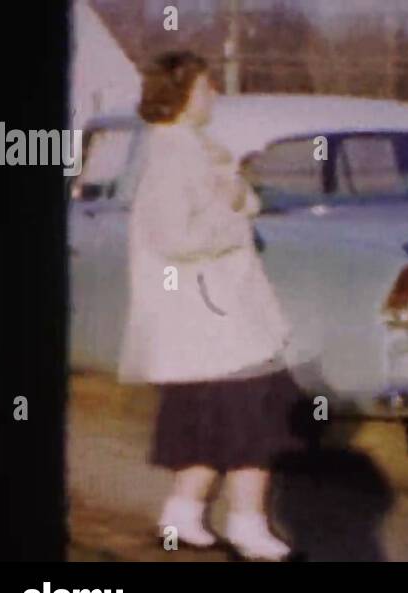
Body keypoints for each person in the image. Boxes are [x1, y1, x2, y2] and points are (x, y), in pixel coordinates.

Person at [119, 52, 303, 561]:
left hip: (213, 312)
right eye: (205, 86)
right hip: (211, 313)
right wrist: (235, 224)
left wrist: (236, 197)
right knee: (253, 417)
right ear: (181, 94)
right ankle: (248, 524)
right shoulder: (173, 156)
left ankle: (183, 512)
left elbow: (238, 200)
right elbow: (173, 236)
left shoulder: (193, 148)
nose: (214, 94)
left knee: (211, 417)